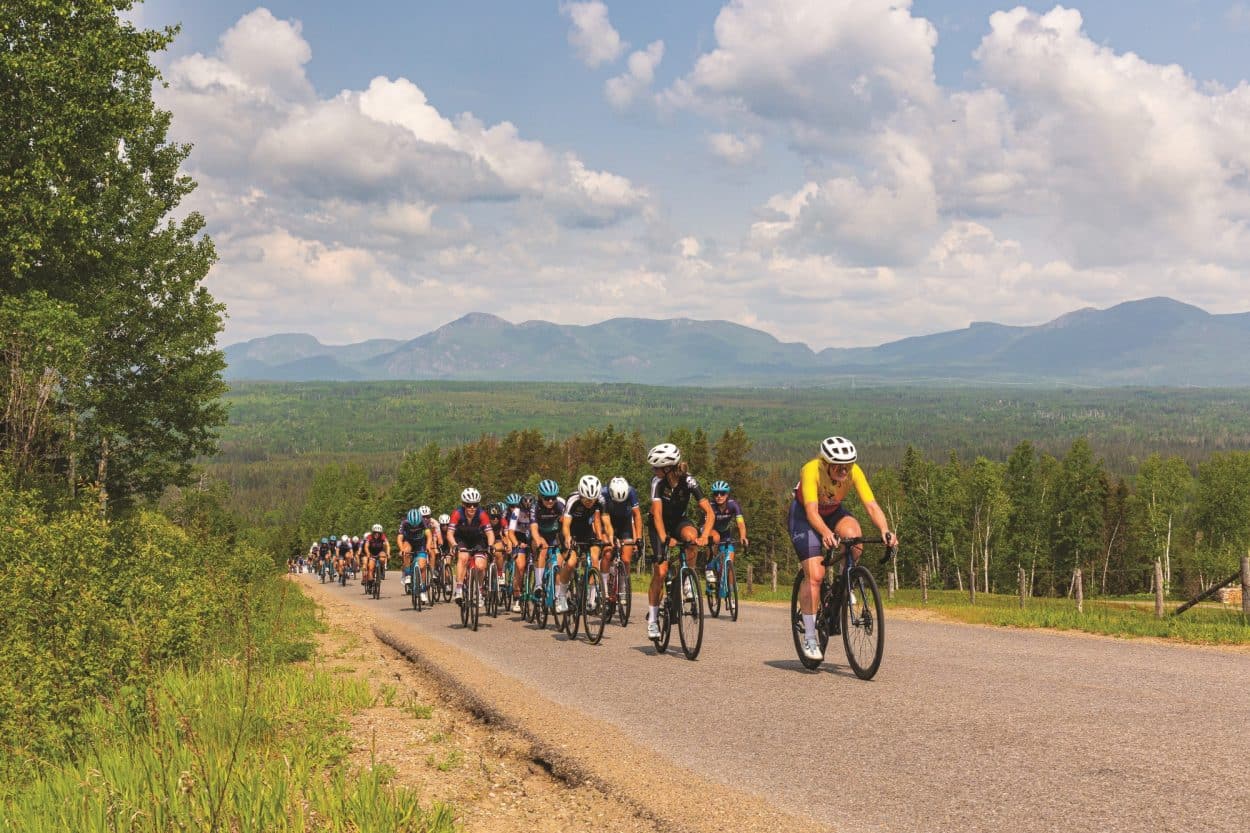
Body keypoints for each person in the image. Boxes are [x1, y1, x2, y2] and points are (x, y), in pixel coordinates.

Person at [791, 435, 896, 661]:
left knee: (854, 536)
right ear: (826, 463)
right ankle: (810, 636)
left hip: (833, 512)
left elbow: (871, 505)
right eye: (839, 465)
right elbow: (811, 512)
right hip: (804, 517)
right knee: (816, 575)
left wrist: (885, 530)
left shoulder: (854, 472)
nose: (844, 469)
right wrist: (826, 533)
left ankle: (845, 582)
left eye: (848, 464)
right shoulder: (810, 471)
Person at [646, 443, 713, 639]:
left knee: (691, 538)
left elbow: (709, 512)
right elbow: (657, 515)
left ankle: (687, 580)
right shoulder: (657, 483)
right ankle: (652, 620)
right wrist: (665, 538)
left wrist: (704, 536)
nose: (653, 470)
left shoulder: (689, 481)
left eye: (655, 467)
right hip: (659, 525)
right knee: (661, 571)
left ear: (667, 468)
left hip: (678, 522)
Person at [559, 475, 605, 614]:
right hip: (570, 530)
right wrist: (567, 537)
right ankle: (561, 595)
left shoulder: (600, 501)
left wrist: (603, 537)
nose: (590, 502)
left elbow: (600, 521)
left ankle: (592, 598)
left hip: (585, 529)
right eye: (586, 499)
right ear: (581, 494)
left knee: (595, 558)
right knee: (572, 562)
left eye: (592, 499)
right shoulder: (573, 500)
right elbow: (566, 525)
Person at [448, 488, 495, 605]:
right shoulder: (457, 513)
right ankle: (459, 589)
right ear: (464, 504)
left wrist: (490, 546)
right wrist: (454, 545)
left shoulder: (482, 514)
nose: (472, 508)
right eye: (469, 505)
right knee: (463, 557)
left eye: (475, 505)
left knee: (480, 566)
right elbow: (449, 533)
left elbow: (490, 533)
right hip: (461, 539)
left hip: (477, 540)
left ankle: (479, 590)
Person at [528, 479, 564, 605]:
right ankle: (538, 585)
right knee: (542, 549)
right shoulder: (535, 507)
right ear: (540, 497)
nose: (550, 501)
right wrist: (538, 540)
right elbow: (533, 528)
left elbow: (566, 524)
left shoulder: (560, 506)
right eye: (547, 498)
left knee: (559, 564)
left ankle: (558, 596)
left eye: (553, 498)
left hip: (553, 535)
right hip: (539, 534)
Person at [600, 475, 641, 583]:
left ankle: (623, 588)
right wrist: (608, 535)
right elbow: (602, 518)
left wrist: (638, 539)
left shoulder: (631, 492)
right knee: (608, 553)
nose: (619, 504)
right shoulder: (603, 493)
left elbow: (637, 516)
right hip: (607, 520)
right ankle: (604, 586)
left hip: (625, 522)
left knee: (626, 560)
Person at [706, 480, 748, 585]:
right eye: (716, 493)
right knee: (714, 538)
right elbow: (707, 524)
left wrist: (743, 536)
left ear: (727, 494)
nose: (719, 496)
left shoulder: (733, 505)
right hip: (711, 529)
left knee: (730, 562)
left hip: (725, 533)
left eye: (722, 493)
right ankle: (709, 568)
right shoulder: (710, 505)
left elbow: (741, 523)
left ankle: (730, 591)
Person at [399, 506, 436, 603]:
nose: (415, 527)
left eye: (416, 525)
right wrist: (401, 548)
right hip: (409, 542)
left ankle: (423, 590)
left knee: (422, 566)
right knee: (406, 551)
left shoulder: (423, 522)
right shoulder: (404, 523)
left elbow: (429, 535)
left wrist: (428, 546)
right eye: (413, 525)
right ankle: (407, 575)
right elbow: (399, 537)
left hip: (420, 544)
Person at [504, 493, 530, 612]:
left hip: (530, 536)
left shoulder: (535, 512)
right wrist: (515, 544)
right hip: (517, 537)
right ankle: (517, 598)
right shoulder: (516, 512)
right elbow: (510, 532)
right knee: (520, 566)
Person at [361, 523, 391, 591]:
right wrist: (368, 553)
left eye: (378, 533)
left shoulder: (383, 536)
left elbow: (387, 545)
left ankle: (381, 569)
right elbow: (366, 546)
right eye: (375, 533)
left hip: (380, 552)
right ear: (373, 532)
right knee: (371, 568)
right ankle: (370, 583)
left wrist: (388, 553)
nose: (377, 534)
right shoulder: (369, 537)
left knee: (383, 557)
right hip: (372, 553)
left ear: (381, 533)